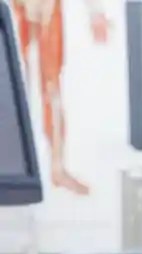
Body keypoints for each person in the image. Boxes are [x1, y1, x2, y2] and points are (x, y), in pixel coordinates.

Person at [11, 0, 110, 196]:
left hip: (45, 8)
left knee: (50, 85)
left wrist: (96, 13)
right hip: (22, 9)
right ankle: (19, 165)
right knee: (16, 76)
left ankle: (57, 168)